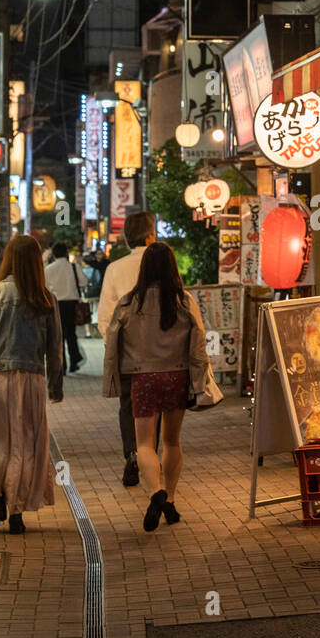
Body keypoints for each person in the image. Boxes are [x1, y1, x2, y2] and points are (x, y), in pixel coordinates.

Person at [102, 241, 208, 532]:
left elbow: (113, 343)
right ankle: (170, 499)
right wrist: (200, 380)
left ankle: (155, 493)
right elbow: (198, 345)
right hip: (178, 375)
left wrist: (113, 378)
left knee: (144, 444)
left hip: (143, 377)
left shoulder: (128, 303)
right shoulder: (184, 301)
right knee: (172, 442)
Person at [0, 235, 64, 534]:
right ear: (37, 262)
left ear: (7, 259)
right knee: (26, 445)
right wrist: (55, 385)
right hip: (32, 380)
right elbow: (55, 347)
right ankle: (17, 510)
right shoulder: (46, 297)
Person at [98, 211, 156, 486]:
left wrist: (114, 347)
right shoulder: (163, 265)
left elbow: (105, 318)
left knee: (129, 406)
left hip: (128, 353)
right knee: (160, 405)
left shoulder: (115, 269)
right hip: (163, 353)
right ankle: (153, 457)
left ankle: (133, 454)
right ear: (150, 235)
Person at [44, 243, 87, 372]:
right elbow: (83, 282)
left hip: (55, 304)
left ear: (54, 254)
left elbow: (45, 287)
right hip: (72, 304)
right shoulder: (73, 267)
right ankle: (74, 360)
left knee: (58, 336)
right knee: (71, 333)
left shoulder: (48, 269)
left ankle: (61, 365)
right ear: (66, 253)